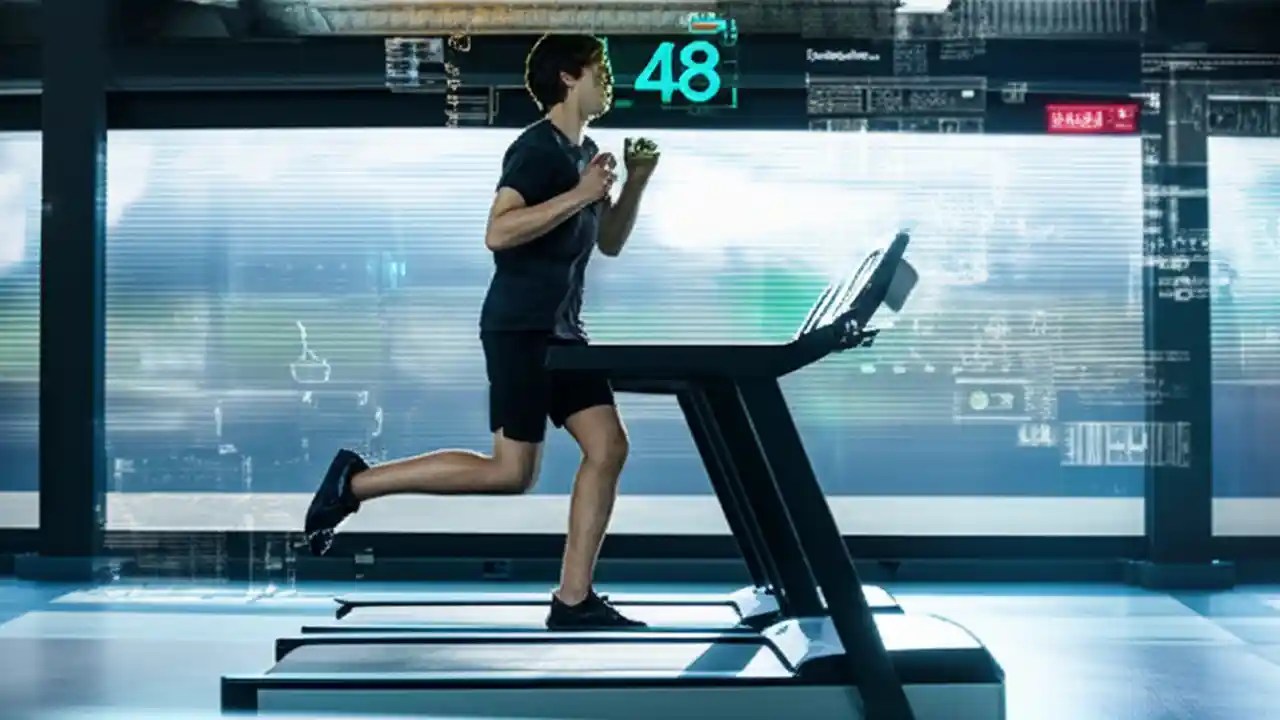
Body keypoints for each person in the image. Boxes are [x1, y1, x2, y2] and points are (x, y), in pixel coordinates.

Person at [302, 33, 660, 630]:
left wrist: (636, 180)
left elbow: (610, 243)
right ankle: (355, 483)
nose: (610, 81)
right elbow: (498, 232)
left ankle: (573, 600)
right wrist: (578, 194)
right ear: (570, 77)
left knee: (609, 446)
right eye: (601, 70)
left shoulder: (586, 151)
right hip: (521, 328)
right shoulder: (537, 151)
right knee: (510, 472)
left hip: (564, 332)